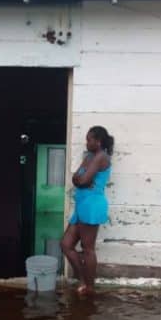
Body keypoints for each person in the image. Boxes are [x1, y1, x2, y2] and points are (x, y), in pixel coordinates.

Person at [60, 126, 113, 296]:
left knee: (87, 248)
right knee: (66, 245)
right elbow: (77, 178)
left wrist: (80, 180)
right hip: (82, 204)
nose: (87, 142)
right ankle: (83, 279)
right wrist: (79, 180)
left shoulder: (101, 157)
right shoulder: (89, 156)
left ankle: (89, 286)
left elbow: (82, 180)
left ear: (98, 141)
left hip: (92, 205)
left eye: (89, 139)